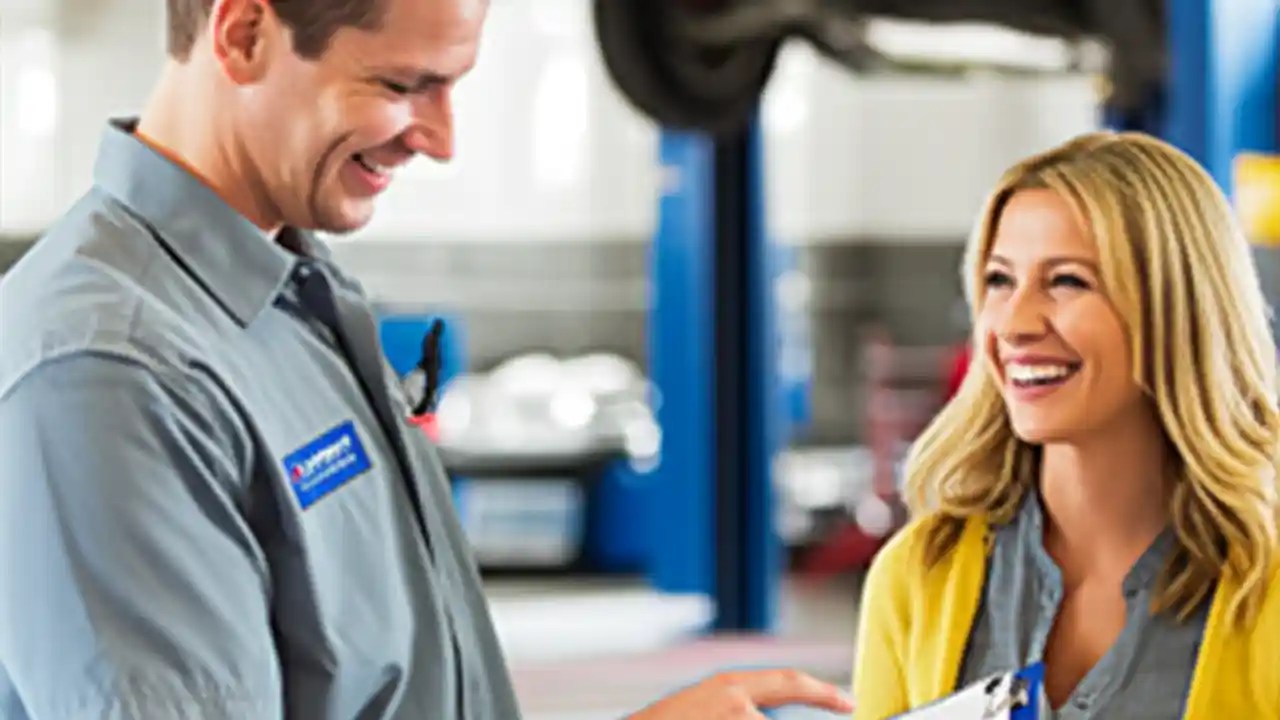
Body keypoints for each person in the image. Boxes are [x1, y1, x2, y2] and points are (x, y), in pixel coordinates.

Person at [0, 1, 855, 718]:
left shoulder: (293, 297)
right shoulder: (106, 375)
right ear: (244, 34)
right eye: (404, 86)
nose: (441, 140)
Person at [851, 131, 1280, 719]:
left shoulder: (1265, 580)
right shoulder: (918, 575)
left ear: (1173, 307)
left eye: (1067, 281)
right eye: (1000, 280)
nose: (1015, 323)